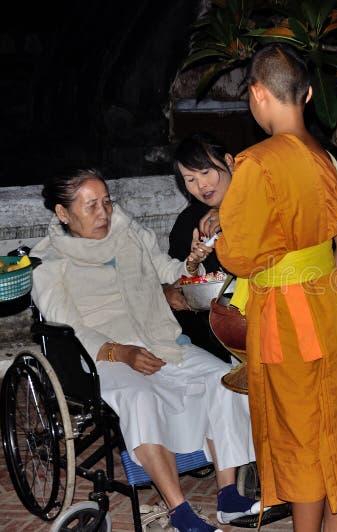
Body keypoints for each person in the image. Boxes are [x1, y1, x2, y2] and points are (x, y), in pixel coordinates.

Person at [31, 169, 260, 532]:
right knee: (141, 397)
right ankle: (179, 509)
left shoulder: (129, 234)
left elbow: (166, 269)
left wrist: (192, 261)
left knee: (223, 379)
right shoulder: (51, 266)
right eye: (90, 206)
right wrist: (120, 353)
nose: (103, 213)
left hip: (159, 339)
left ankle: (229, 496)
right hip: (103, 357)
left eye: (106, 202)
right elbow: (71, 329)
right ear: (63, 213)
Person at [215, 43, 337, 532]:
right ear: (306, 94)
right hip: (327, 305)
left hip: (285, 316)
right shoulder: (323, 157)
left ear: (257, 94)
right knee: (333, 418)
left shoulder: (257, 162)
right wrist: (320, 283)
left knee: (297, 429)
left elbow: (237, 255)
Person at [166, 132, 235, 363]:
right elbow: (174, 276)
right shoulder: (189, 222)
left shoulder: (264, 203)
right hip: (215, 336)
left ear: (228, 161)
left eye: (205, 172)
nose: (201, 185)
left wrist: (232, 215)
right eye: (190, 179)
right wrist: (169, 291)